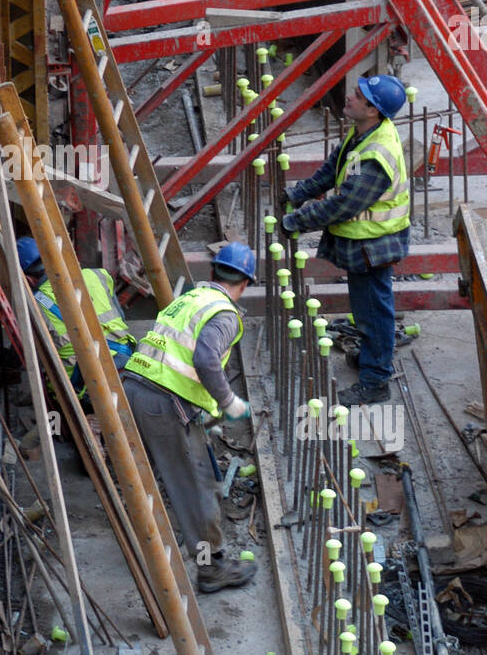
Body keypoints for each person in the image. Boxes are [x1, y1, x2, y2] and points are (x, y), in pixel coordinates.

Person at [122, 243, 257, 593]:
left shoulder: (189, 300)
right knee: (197, 488)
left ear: (213, 273)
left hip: (134, 388)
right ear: (244, 283)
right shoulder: (225, 314)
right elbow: (206, 359)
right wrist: (228, 401)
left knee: (156, 476)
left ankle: (145, 545)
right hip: (164, 402)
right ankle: (210, 567)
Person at [281, 74, 410, 407]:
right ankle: (372, 358)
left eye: (358, 96)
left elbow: (345, 204)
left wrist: (297, 221)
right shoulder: (362, 134)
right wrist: (298, 194)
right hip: (363, 244)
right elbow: (331, 169)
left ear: (373, 110)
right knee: (368, 309)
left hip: (374, 246)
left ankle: (375, 382)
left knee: (372, 313)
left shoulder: (377, 154)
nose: (349, 97)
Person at [17, 236, 136, 395]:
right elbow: (120, 316)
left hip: (82, 388)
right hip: (126, 357)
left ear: (28, 279)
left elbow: (34, 357)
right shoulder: (96, 275)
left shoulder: (34, 305)